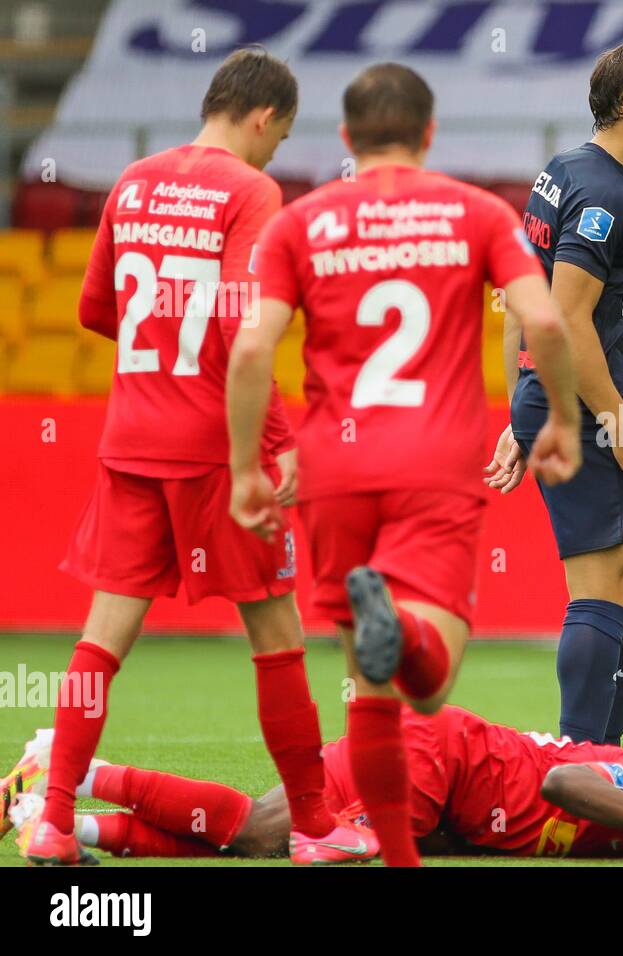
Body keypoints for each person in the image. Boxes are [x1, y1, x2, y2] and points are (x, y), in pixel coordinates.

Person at [226, 63, 580, 866]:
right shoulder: (477, 212)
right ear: (429, 133)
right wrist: (559, 420)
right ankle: (407, 626)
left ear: (346, 139)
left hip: (334, 473)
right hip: (434, 464)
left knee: (370, 697)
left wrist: (248, 467)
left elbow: (252, 349)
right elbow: (547, 324)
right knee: (427, 682)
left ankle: (397, 857)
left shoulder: (302, 222)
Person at [28, 48, 373, 866]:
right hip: (217, 450)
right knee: (276, 634)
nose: (274, 155)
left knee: (100, 639)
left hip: (130, 443)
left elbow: (94, 308)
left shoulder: (133, 180)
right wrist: (279, 447)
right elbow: (242, 334)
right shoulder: (251, 191)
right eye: (280, 139)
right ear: (262, 118)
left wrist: (160, 355)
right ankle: (317, 828)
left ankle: (49, 818)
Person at [483, 38, 623, 747]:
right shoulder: (605, 193)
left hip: (566, 397)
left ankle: (607, 763)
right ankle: (577, 770)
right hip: (586, 407)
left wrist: (524, 401)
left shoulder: (566, 170)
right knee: (603, 587)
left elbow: (523, 296)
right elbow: (568, 318)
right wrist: (618, 424)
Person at [3, 708, 623, 862]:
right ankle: (69, 765)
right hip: (436, 759)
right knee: (268, 834)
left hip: (441, 780)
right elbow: (566, 784)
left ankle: (73, 823)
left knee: (259, 840)